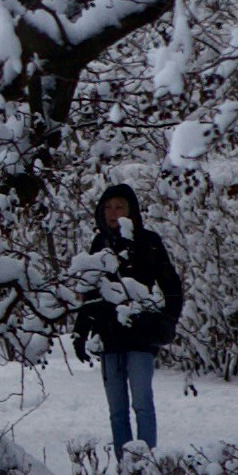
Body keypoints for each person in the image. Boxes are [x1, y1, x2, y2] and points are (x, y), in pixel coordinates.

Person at [71, 184, 184, 453]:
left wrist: (168, 320)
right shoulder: (100, 245)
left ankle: (146, 464)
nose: (113, 213)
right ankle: (125, 467)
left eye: (119, 206)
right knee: (117, 409)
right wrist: (80, 332)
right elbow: (91, 292)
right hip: (109, 336)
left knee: (142, 404)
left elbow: (171, 285)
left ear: (131, 210)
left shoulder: (148, 241)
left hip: (142, 334)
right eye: (108, 207)